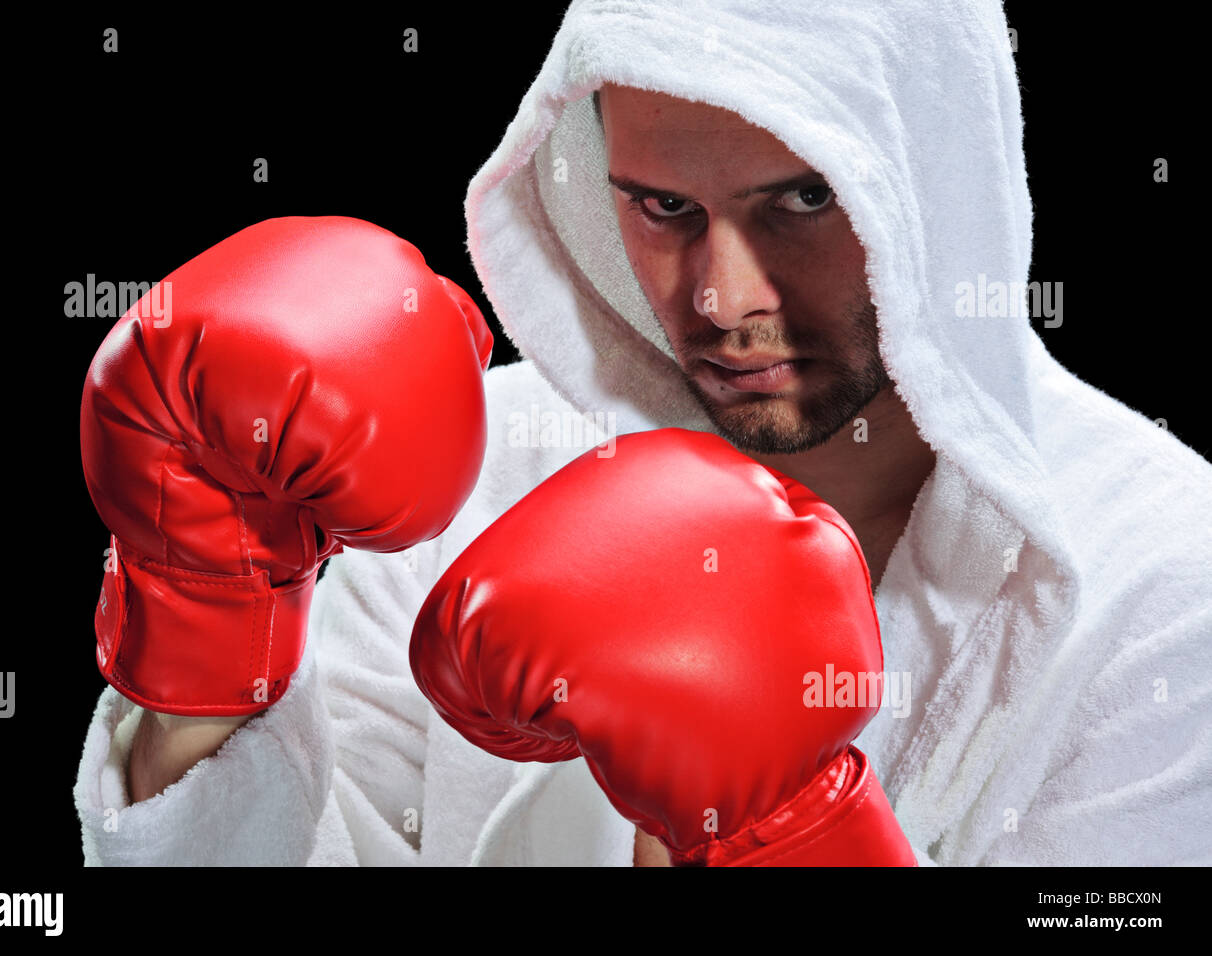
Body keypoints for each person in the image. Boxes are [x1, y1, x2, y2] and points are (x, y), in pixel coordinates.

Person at [74, 0, 1212, 866]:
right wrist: (208, 603)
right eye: (663, 206)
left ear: (931, 186)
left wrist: (788, 833)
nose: (723, 298)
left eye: (802, 199)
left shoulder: (1165, 572)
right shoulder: (465, 469)